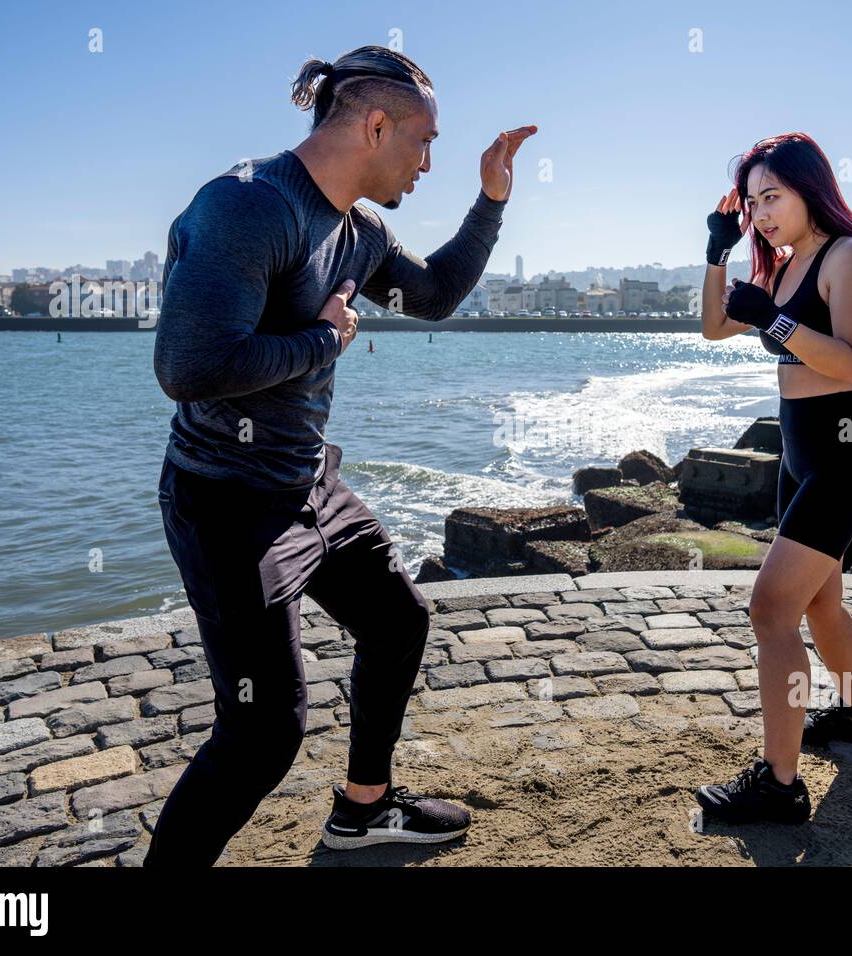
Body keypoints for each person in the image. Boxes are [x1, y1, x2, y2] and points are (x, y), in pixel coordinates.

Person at [145, 44, 536, 865]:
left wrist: (491, 200)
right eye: (423, 142)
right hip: (228, 503)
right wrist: (325, 337)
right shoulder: (248, 207)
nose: (429, 161)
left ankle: (362, 811)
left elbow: (431, 298)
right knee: (261, 733)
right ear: (374, 123)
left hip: (310, 484)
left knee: (398, 622)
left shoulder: (361, 232)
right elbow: (187, 368)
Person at [694, 133, 852, 825]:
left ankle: (779, 786)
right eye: (752, 203)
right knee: (820, 606)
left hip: (843, 453)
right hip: (800, 453)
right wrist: (718, 252)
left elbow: (849, 364)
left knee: (770, 610)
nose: (763, 213)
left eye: (772, 196)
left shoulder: (848, 258)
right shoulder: (780, 265)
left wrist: (774, 320)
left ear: (812, 188)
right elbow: (716, 327)